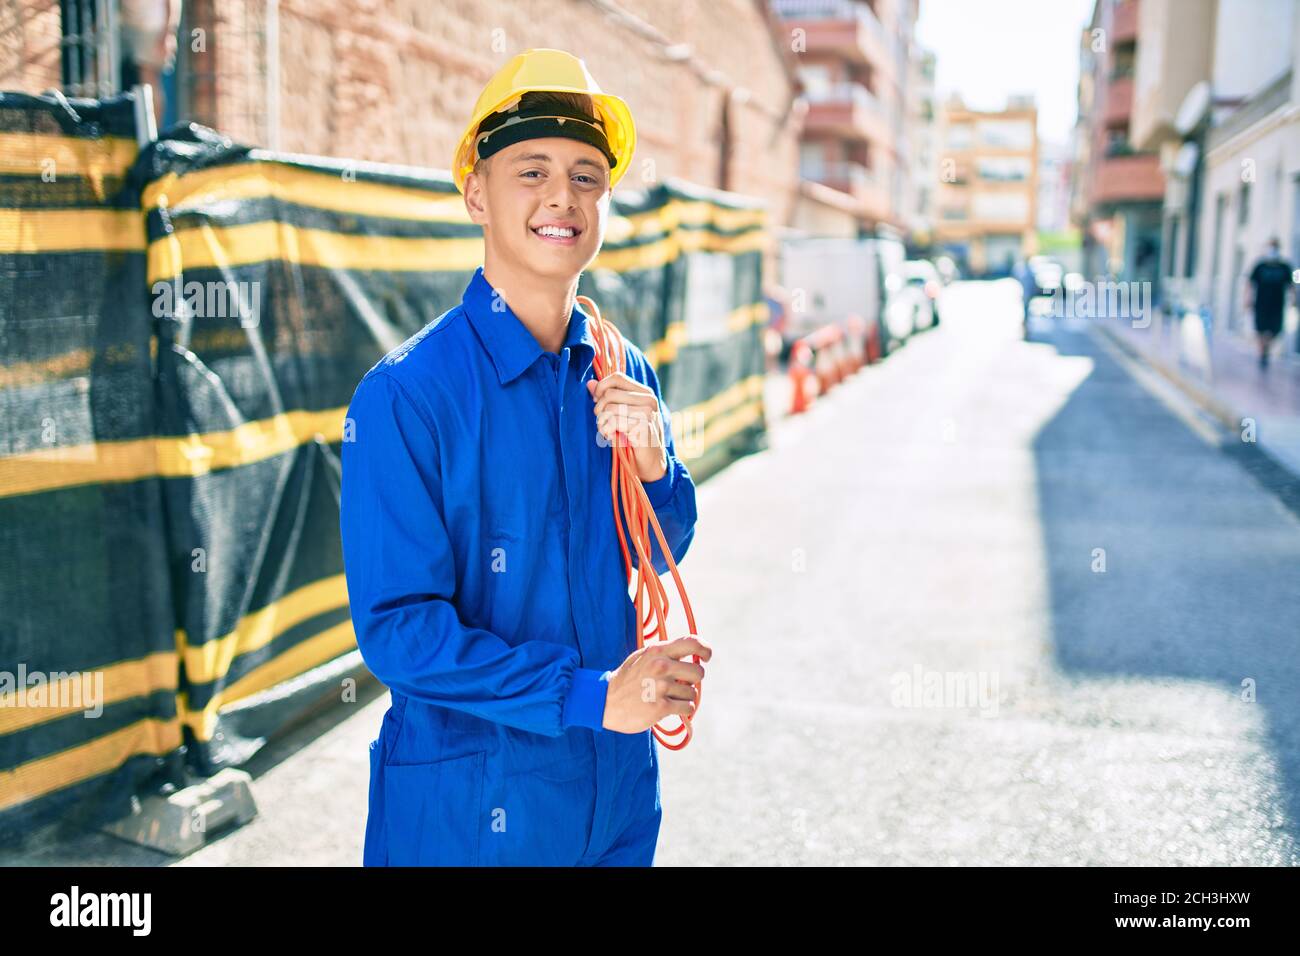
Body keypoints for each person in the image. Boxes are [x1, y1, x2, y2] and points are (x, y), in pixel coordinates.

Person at [339, 49, 711, 867]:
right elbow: (400, 631)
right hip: (472, 811)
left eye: (586, 176)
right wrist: (593, 695)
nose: (562, 197)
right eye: (531, 170)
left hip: (614, 793)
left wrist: (655, 467)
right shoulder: (406, 397)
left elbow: (658, 553)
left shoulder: (624, 371)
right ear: (476, 192)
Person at [1246, 238, 1295, 369]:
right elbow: (1250, 283)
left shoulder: (1285, 266)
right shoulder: (1260, 265)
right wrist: (1247, 299)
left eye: (1275, 246)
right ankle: (1263, 354)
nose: (1272, 249)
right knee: (1260, 330)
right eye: (1271, 246)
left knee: (1275, 331)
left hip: (1277, 304)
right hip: (1261, 303)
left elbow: (1292, 284)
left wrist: (1294, 299)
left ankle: (1265, 349)